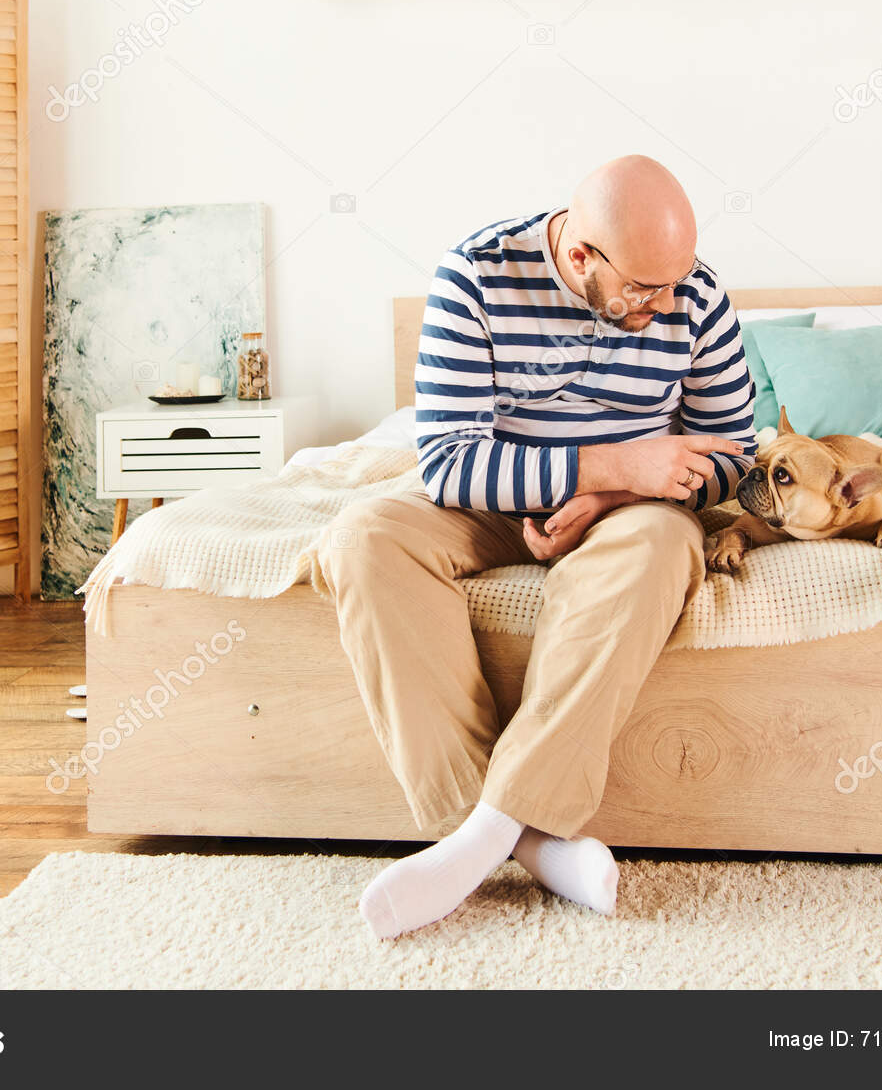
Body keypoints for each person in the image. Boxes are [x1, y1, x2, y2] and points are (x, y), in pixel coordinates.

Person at [316, 155, 756, 938]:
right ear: (580, 256)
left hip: (629, 508)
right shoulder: (476, 276)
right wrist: (613, 459)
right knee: (363, 537)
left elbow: (731, 456)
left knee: (658, 550)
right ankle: (518, 838)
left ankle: (479, 839)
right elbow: (449, 463)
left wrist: (617, 492)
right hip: (490, 495)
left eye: (678, 282)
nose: (664, 308)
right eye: (645, 290)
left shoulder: (695, 296)